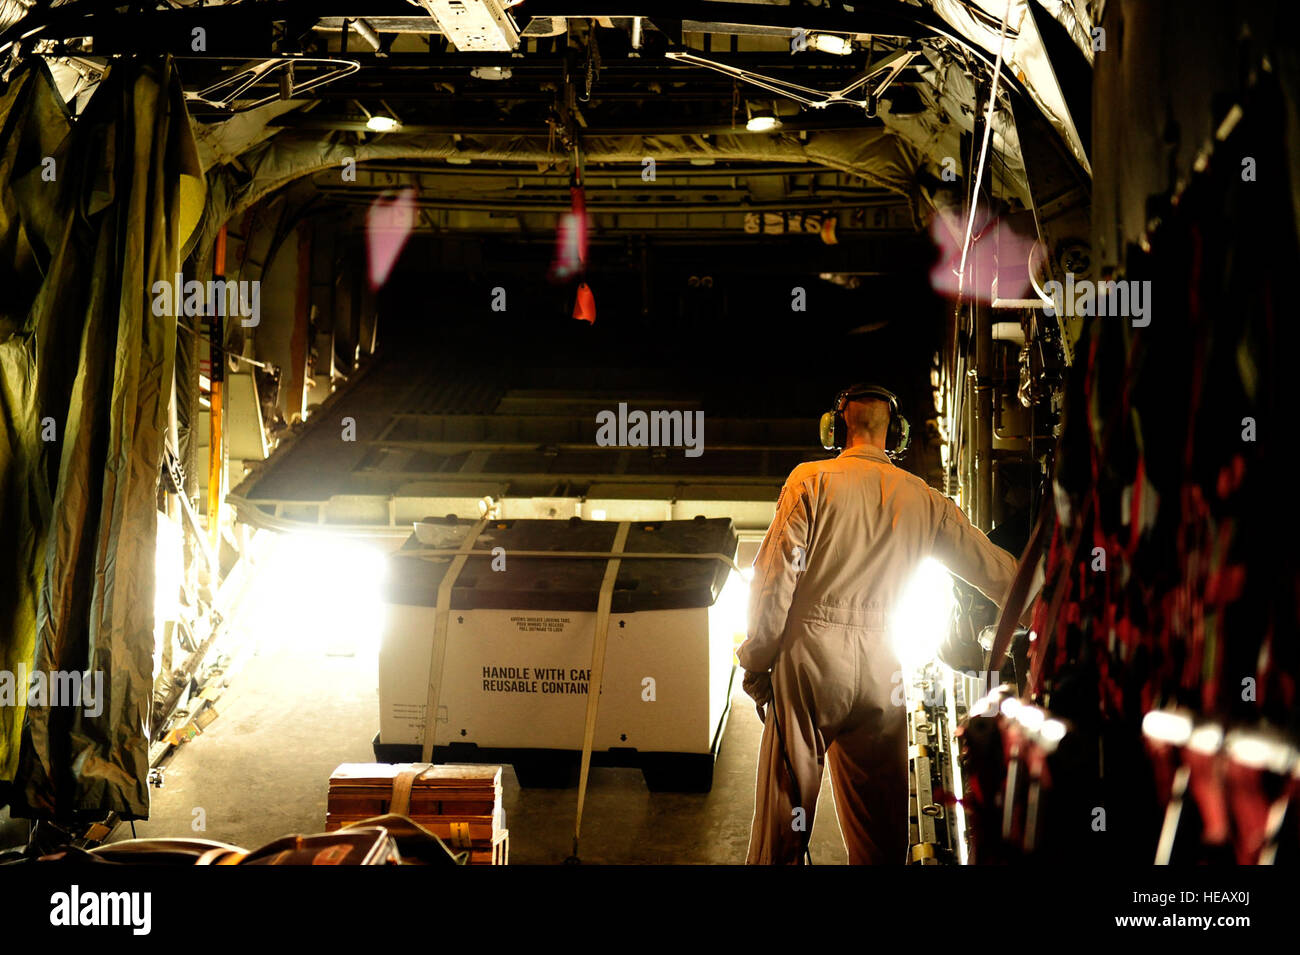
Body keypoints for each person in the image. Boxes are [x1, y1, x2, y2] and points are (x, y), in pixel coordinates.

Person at [739, 384, 1021, 864]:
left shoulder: (810, 481)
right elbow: (997, 572)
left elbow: (773, 582)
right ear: (898, 434)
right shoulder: (922, 498)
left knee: (783, 827)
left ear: (836, 429)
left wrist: (757, 661)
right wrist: (1043, 611)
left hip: (809, 661)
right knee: (879, 838)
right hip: (884, 668)